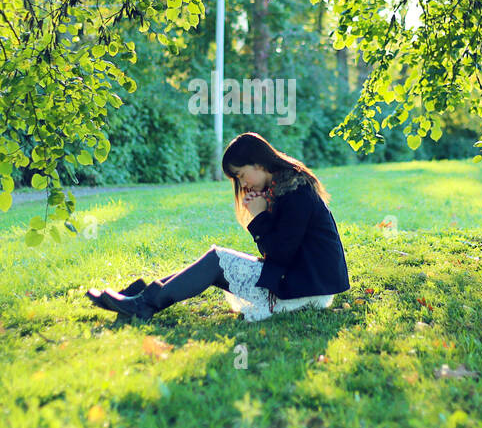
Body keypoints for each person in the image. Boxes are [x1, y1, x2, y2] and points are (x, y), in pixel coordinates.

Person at [87, 131, 351, 321]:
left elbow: (280, 254)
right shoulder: (282, 188)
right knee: (217, 261)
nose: (243, 183)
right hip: (300, 280)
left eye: (241, 174)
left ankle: (144, 304)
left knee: (217, 260)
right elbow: (280, 250)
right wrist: (261, 217)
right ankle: (144, 297)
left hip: (307, 290)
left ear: (259, 164)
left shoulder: (297, 192)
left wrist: (259, 218)